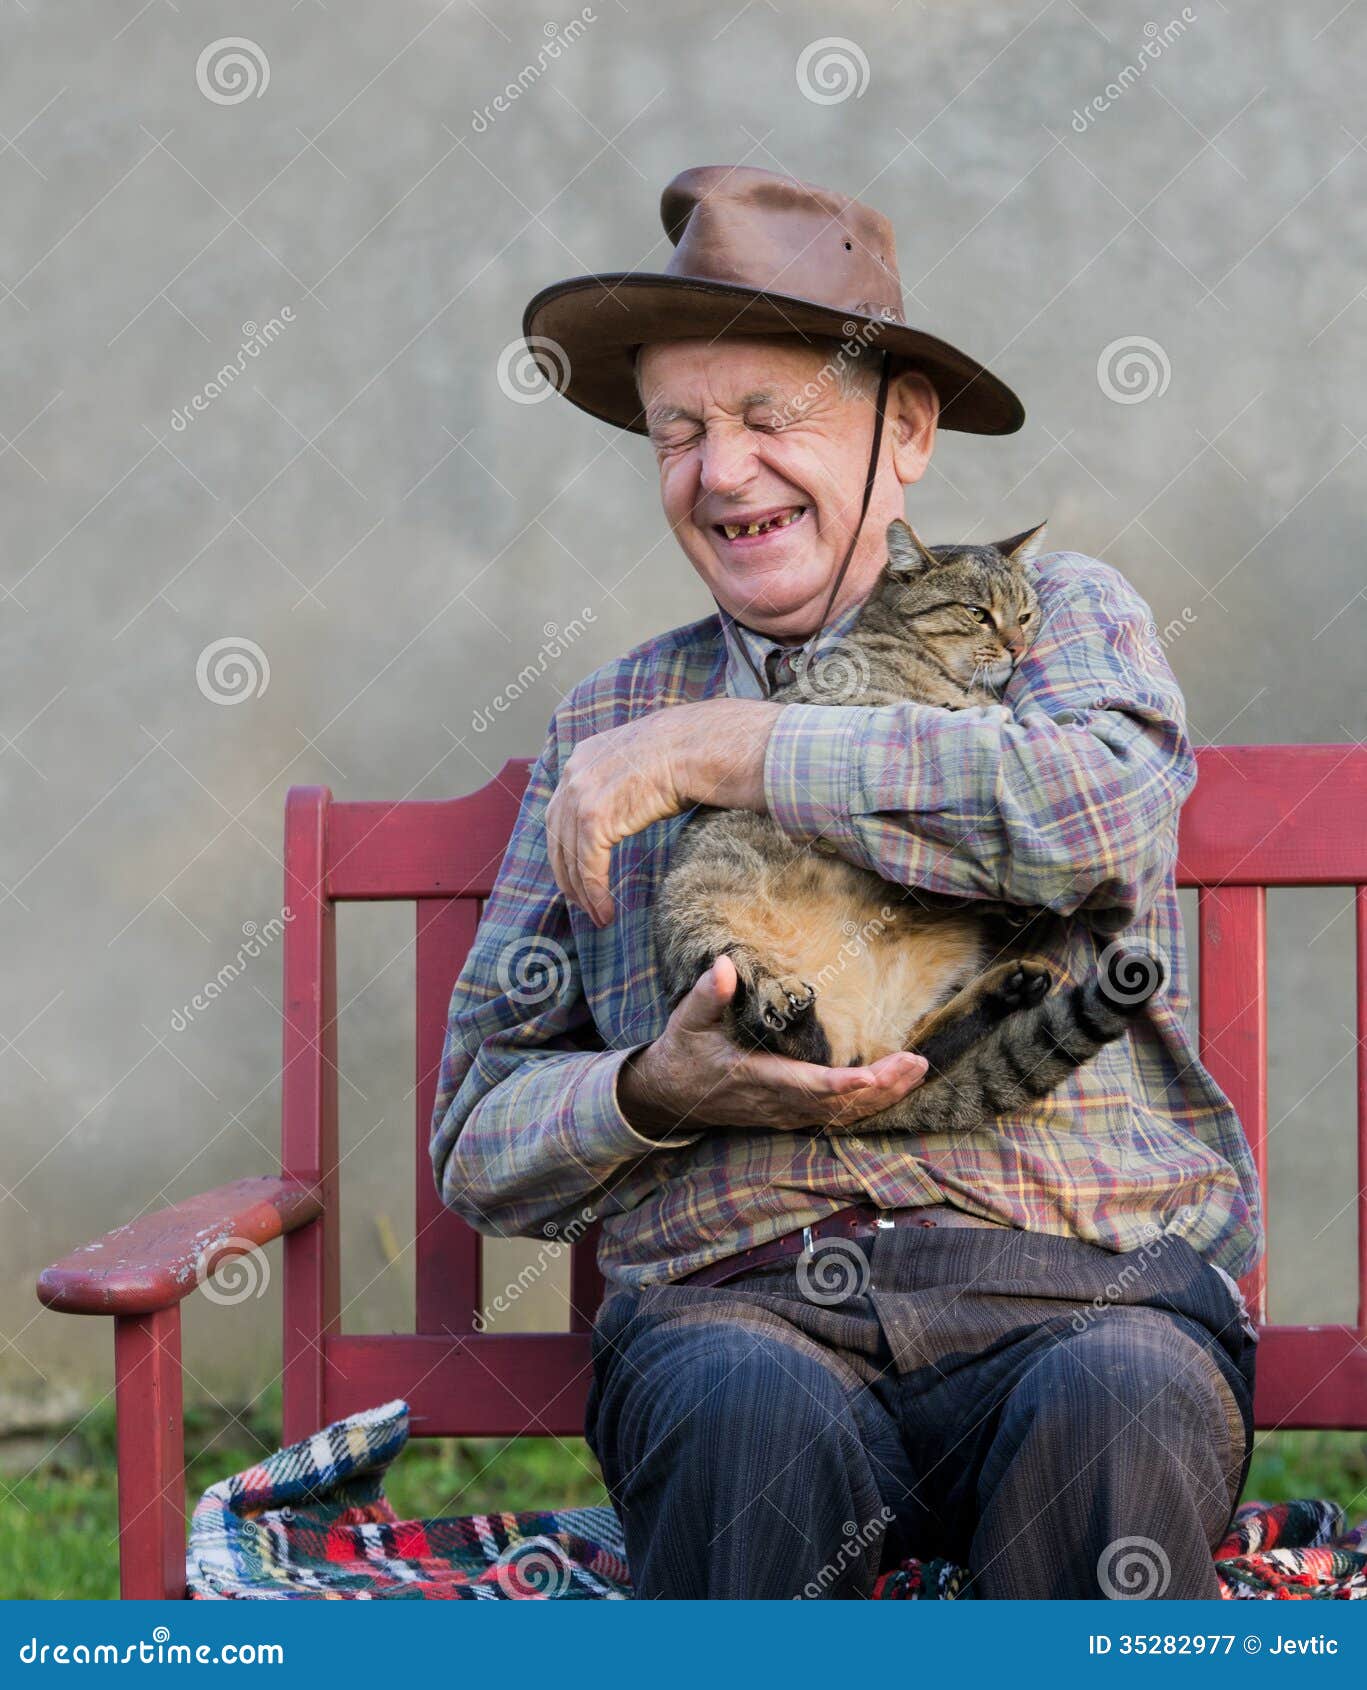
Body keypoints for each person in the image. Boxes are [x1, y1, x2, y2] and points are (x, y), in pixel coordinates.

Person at [429, 164, 1263, 1600]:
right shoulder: (596, 726)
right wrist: (645, 1092)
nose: (722, 469)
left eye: (771, 417)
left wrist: (739, 748)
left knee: (1116, 1410)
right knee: (740, 1421)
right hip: (745, 1310)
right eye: (681, 429)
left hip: (1081, 1286)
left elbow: (1101, 816)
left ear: (909, 430)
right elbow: (480, 1134)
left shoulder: (1059, 617)